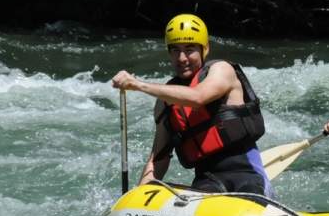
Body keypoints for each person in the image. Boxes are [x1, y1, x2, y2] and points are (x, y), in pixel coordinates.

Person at [110, 13, 275, 197]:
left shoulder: (221, 70)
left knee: (250, 198)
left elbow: (198, 97)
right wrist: (135, 200)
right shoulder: (167, 100)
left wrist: (138, 84)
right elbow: (158, 159)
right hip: (207, 182)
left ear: (204, 49)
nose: (182, 58)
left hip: (247, 176)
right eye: (175, 50)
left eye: (189, 49)